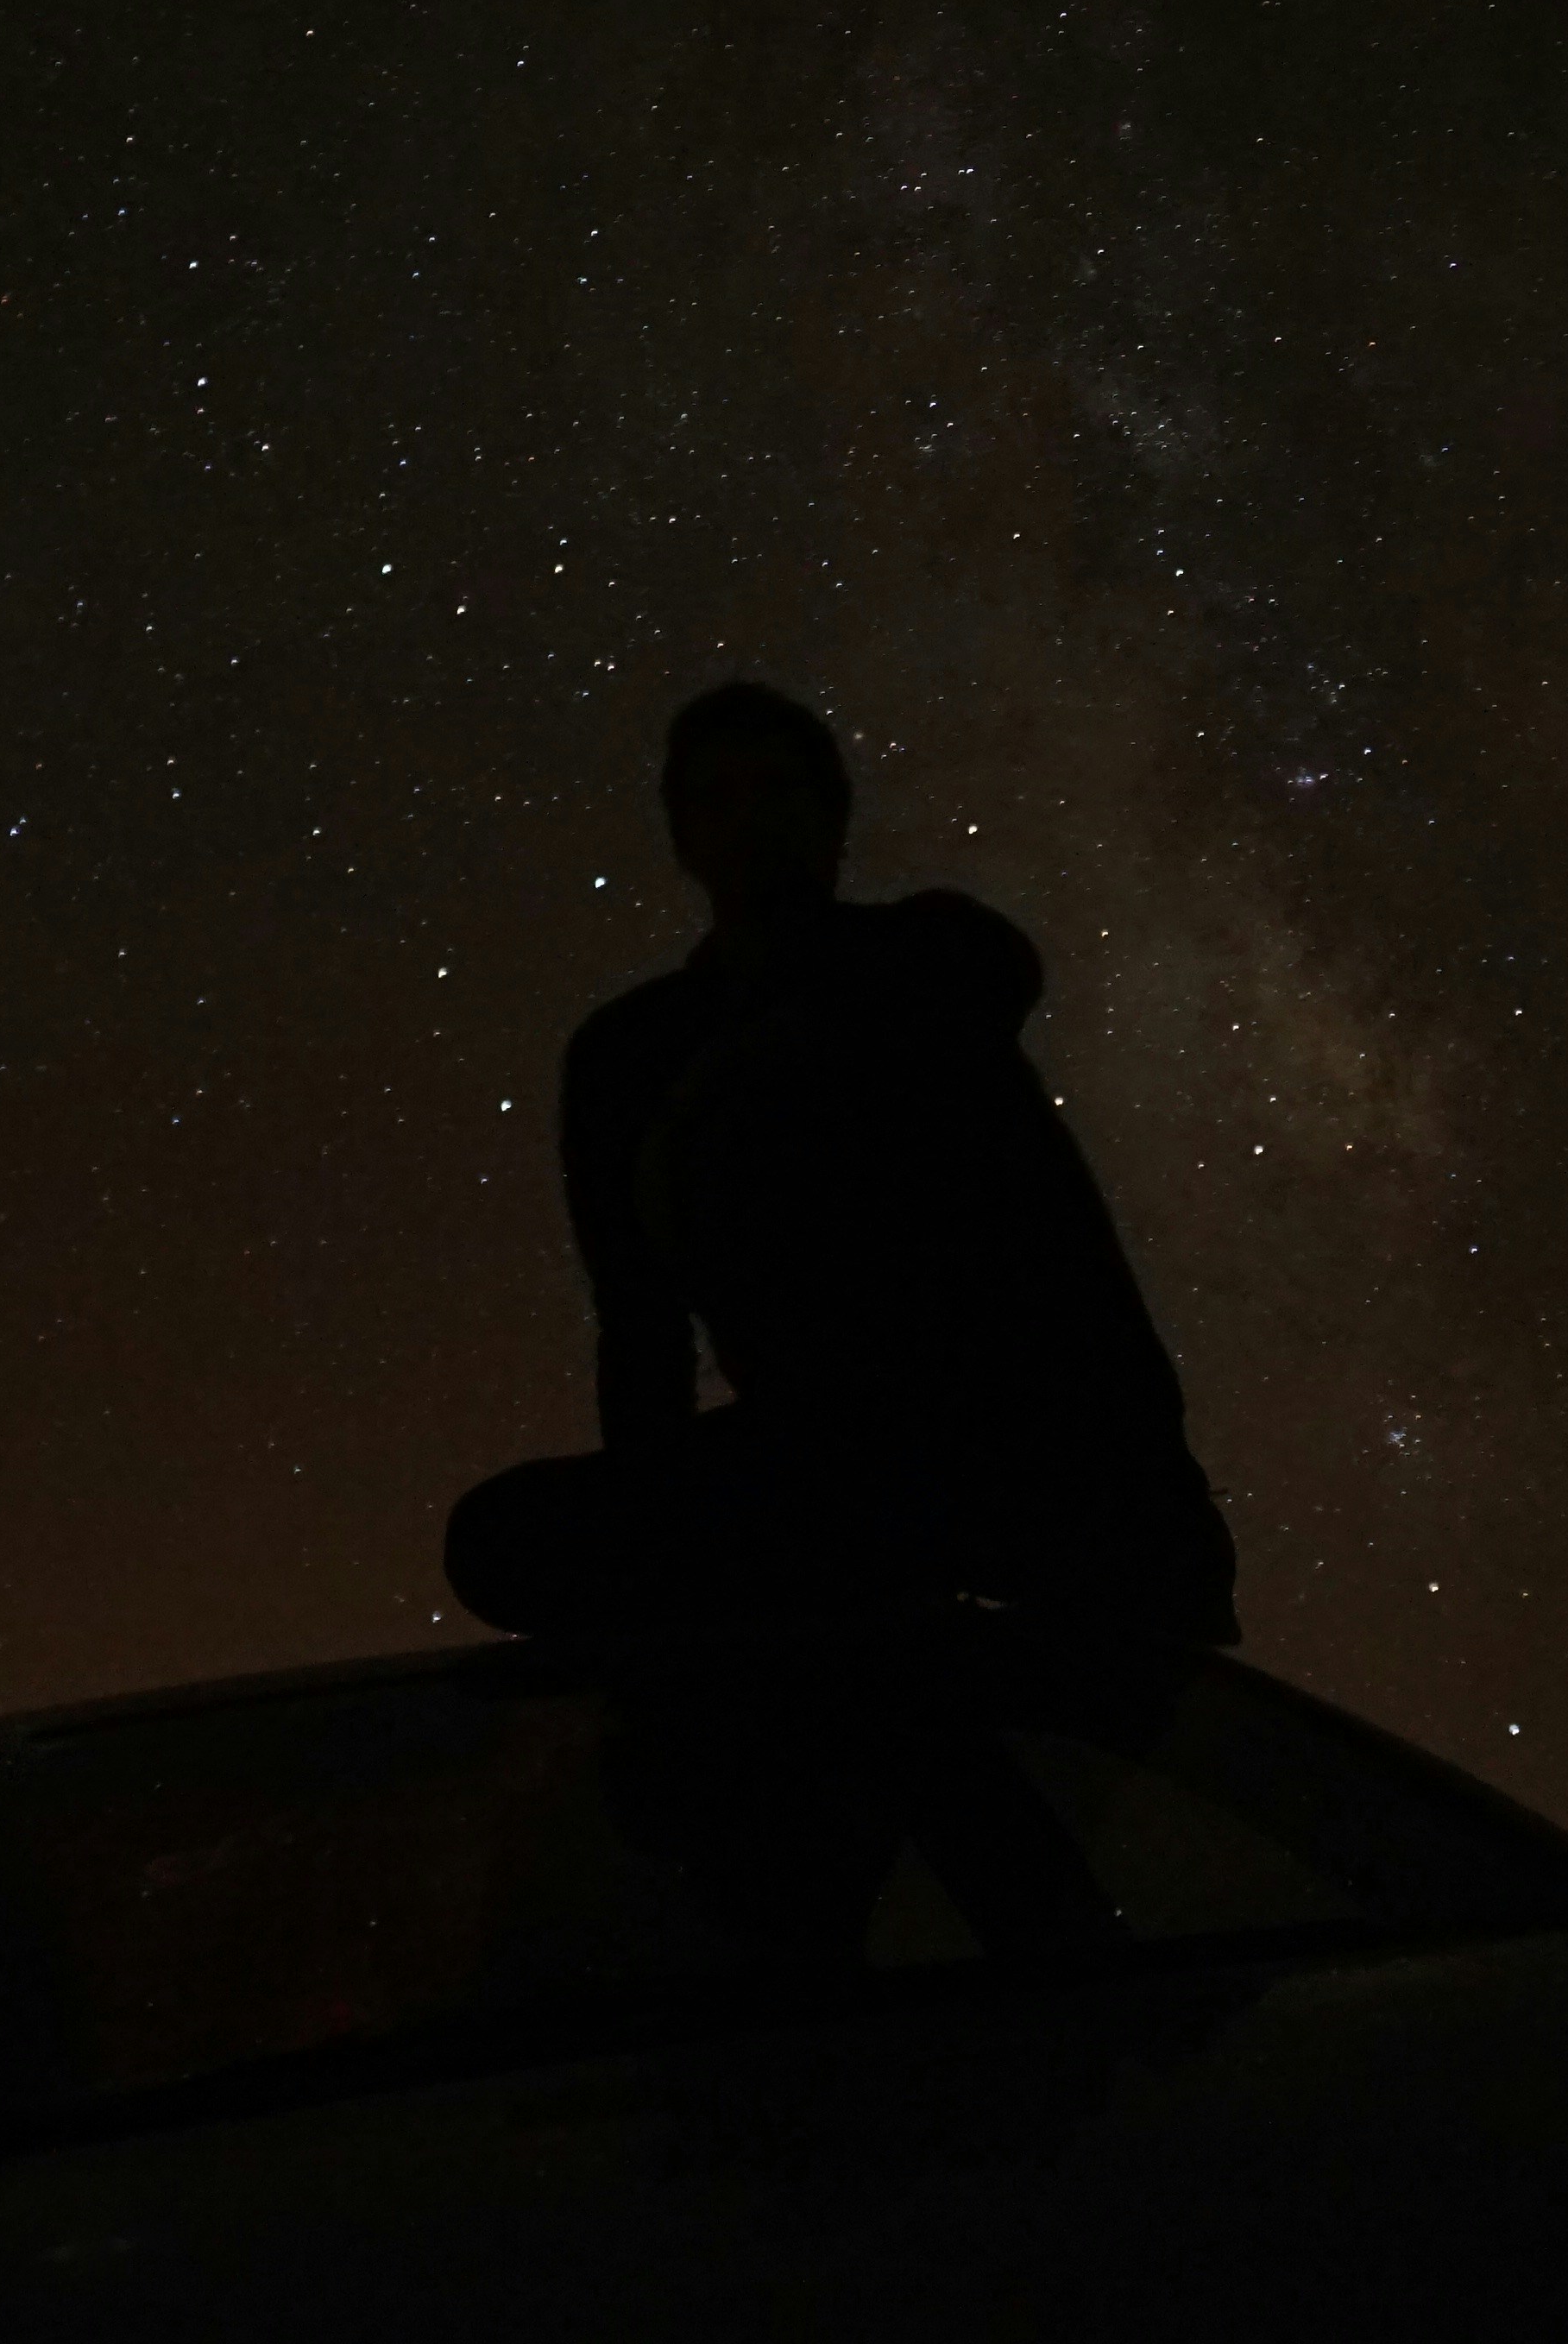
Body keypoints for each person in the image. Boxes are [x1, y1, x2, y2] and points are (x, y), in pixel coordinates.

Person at [444, 683, 1243, 1647]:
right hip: (825, 1457)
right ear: (682, 837)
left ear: (832, 819)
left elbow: (992, 971)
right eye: (718, 799)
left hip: (1020, 1434)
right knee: (504, 1539)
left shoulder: (923, 958)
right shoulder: (627, 1054)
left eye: (778, 791)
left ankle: (1077, 1546)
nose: (752, 823)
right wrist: (654, 1535)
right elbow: (640, 1327)